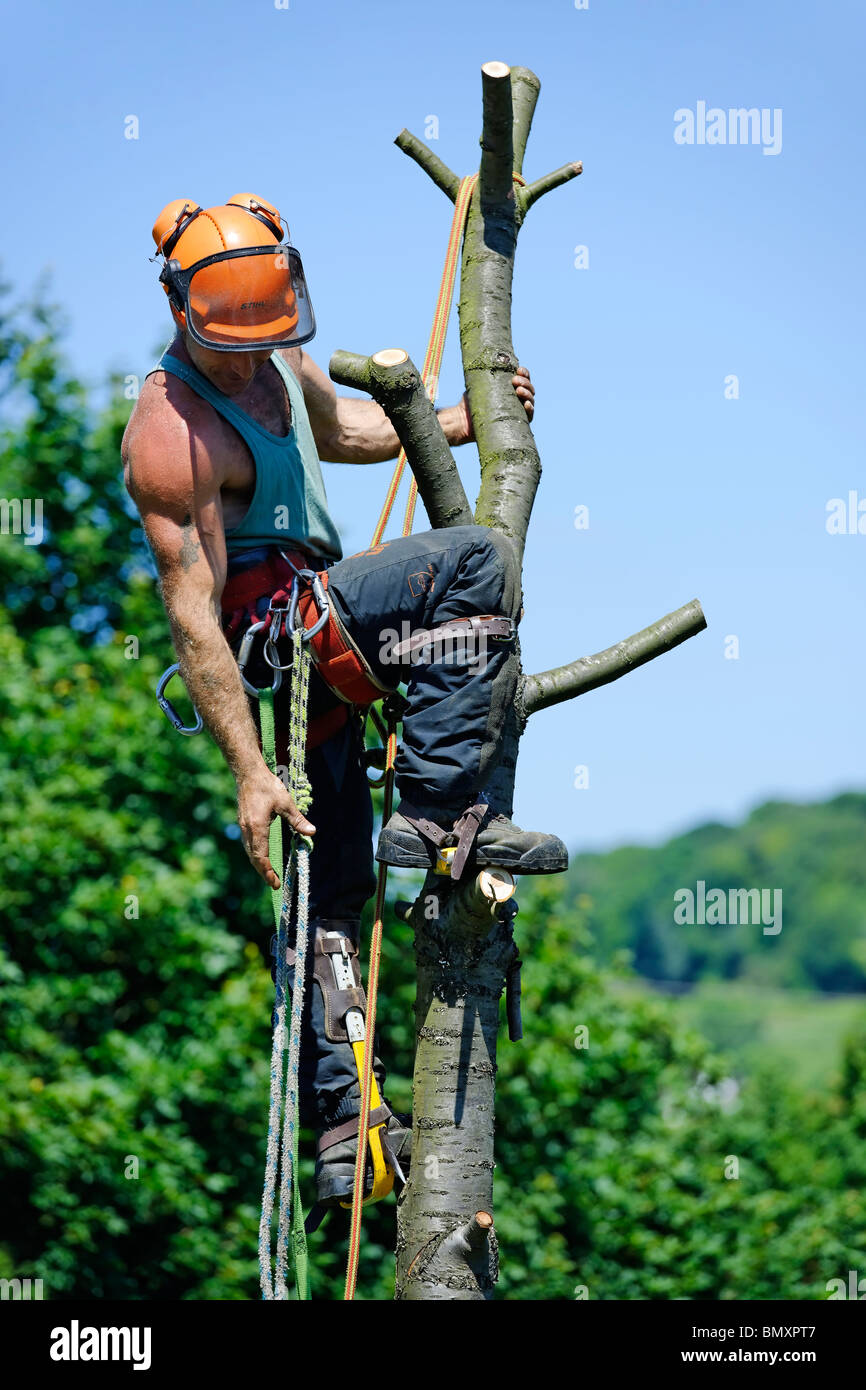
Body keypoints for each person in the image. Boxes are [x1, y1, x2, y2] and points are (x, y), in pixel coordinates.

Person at [122, 191, 567, 1209]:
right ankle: (447, 809)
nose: (247, 362)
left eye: (263, 342)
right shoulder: (170, 427)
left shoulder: (269, 342)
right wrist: (247, 773)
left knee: (329, 903)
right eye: (230, 349)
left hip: (320, 628)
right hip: (273, 646)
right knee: (469, 565)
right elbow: (192, 616)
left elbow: (346, 430)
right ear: (183, 313)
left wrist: (447, 419)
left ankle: (341, 1129)